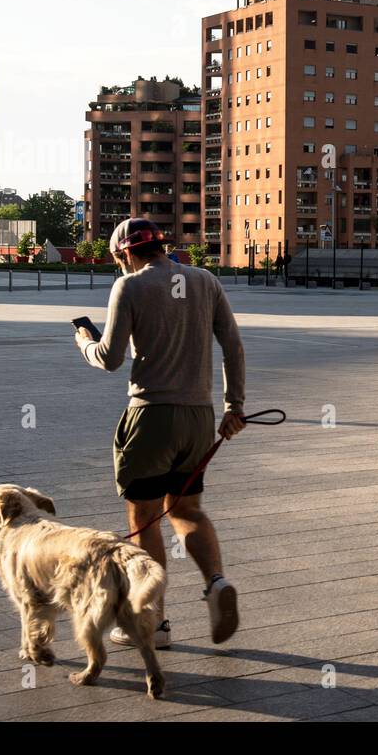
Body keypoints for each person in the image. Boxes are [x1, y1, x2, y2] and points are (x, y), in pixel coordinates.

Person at [74, 218, 246, 650]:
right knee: (186, 509)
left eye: (118, 260)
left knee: (145, 517)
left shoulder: (129, 287)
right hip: (198, 418)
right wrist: (235, 406)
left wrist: (84, 342)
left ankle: (155, 622)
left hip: (151, 416)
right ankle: (216, 582)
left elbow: (110, 359)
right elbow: (232, 343)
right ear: (161, 246)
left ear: (124, 254)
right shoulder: (205, 280)